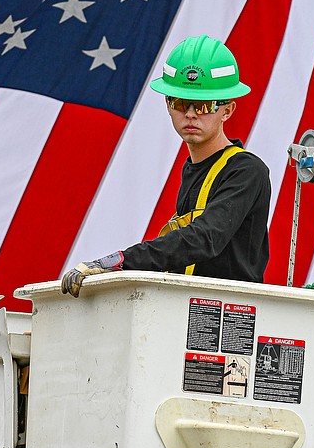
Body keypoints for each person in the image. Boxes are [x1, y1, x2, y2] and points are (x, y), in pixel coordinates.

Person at [61, 34, 271, 296]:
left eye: (204, 105)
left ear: (227, 111)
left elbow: (205, 238)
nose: (191, 114)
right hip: (191, 309)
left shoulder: (246, 171)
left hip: (233, 318)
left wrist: (121, 262)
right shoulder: (193, 169)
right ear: (168, 105)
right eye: (181, 103)